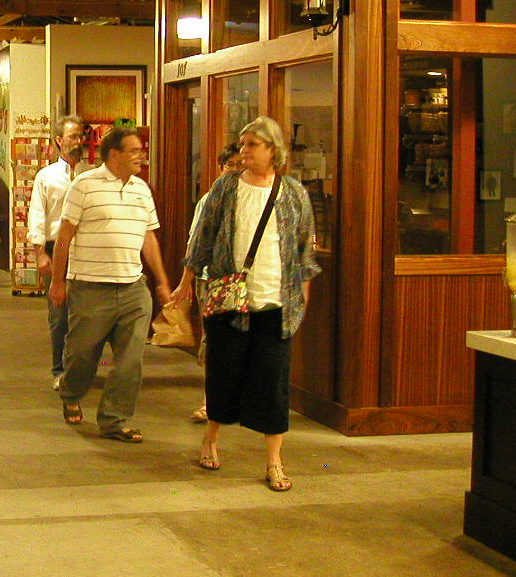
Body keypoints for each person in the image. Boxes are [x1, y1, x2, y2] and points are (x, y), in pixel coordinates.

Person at [173, 116, 320, 492]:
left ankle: (274, 461)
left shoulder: (293, 192)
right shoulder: (226, 186)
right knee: (223, 374)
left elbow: (304, 248)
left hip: (276, 303)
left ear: (273, 150)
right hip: (229, 300)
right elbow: (203, 237)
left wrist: (302, 293)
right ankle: (211, 439)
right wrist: (187, 282)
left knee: (273, 382)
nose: (244, 151)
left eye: (252, 144)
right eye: (242, 144)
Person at [49, 126, 171, 442]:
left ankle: (114, 419)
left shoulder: (142, 190)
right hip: (90, 287)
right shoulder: (85, 185)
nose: (141, 156)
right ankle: (71, 392)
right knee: (83, 355)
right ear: (114, 154)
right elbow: (64, 237)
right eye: (134, 151)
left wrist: (161, 282)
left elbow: (149, 237)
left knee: (131, 360)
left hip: (133, 288)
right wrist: (57, 282)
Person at [27, 115, 90, 388]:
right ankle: (60, 370)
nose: (78, 141)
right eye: (73, 136)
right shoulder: (46, 176)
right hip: (55, 250)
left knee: (86, 314)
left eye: (80, 136)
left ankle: (84, 367)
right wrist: (40, 253)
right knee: (59, 314)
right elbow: (37, 215)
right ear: (59, 140)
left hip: (85, 250)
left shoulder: (91, 174)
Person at [186, 144, 242, 424]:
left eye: (240, 164)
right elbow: (196, 242)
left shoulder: (254, 197)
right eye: (229, 165)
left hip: (245, 280)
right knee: (214, 340)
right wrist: (187, 279)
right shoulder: (210, 200)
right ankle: (211, 401)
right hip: (212, 279)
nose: (235, 170)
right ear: (220, 169)